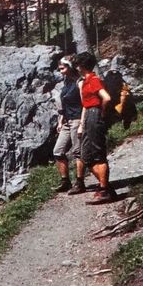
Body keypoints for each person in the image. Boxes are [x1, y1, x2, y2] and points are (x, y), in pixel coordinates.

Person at [73, 51, 118, 204]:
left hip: (94, 114)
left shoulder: (93, 79)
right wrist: (82, 123)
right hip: (88, 115)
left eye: (77, 64)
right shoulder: (86, 81)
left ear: (81, 66)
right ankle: (107, 188)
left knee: (98, 153)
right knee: (86, 156)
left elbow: (106, 98)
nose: (76, 67)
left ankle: (104, 190)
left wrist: (102, 112)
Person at [53, 57, 84, 193]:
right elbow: (64, 104)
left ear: (70, 67)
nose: (61, 71)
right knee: (58, 151)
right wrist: (60, 120)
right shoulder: (66, 82)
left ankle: (80, 182)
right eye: (60, 69)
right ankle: (65, 181)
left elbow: (85, 103)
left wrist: (82, 123)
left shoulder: (79, 82)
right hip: (66, 120)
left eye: (63, 68)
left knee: (78, 152)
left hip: (77, 119)